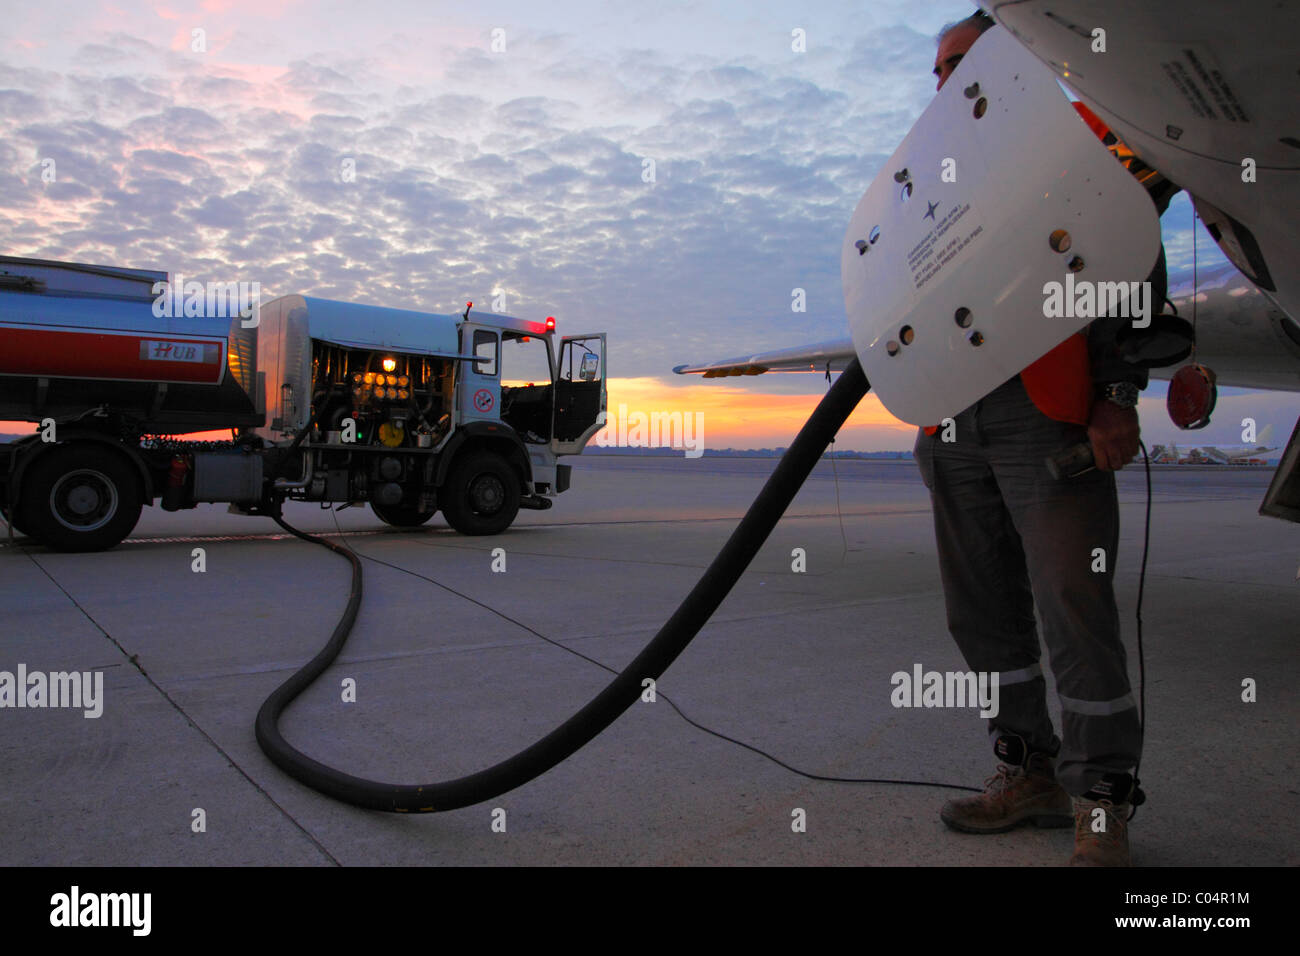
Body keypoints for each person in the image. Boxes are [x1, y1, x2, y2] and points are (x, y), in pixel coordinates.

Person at [917, 9, 1172, 866]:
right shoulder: (929, 182)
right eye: (939, 70)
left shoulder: (1074, 157)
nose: (946, 80)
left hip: (1047, 415)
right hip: (954, 417)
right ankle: (1028, 770)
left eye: (963, 61)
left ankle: (1101, 799)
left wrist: (1114, 394)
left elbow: (1133, 268)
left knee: (1073, 603)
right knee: (982, 613)